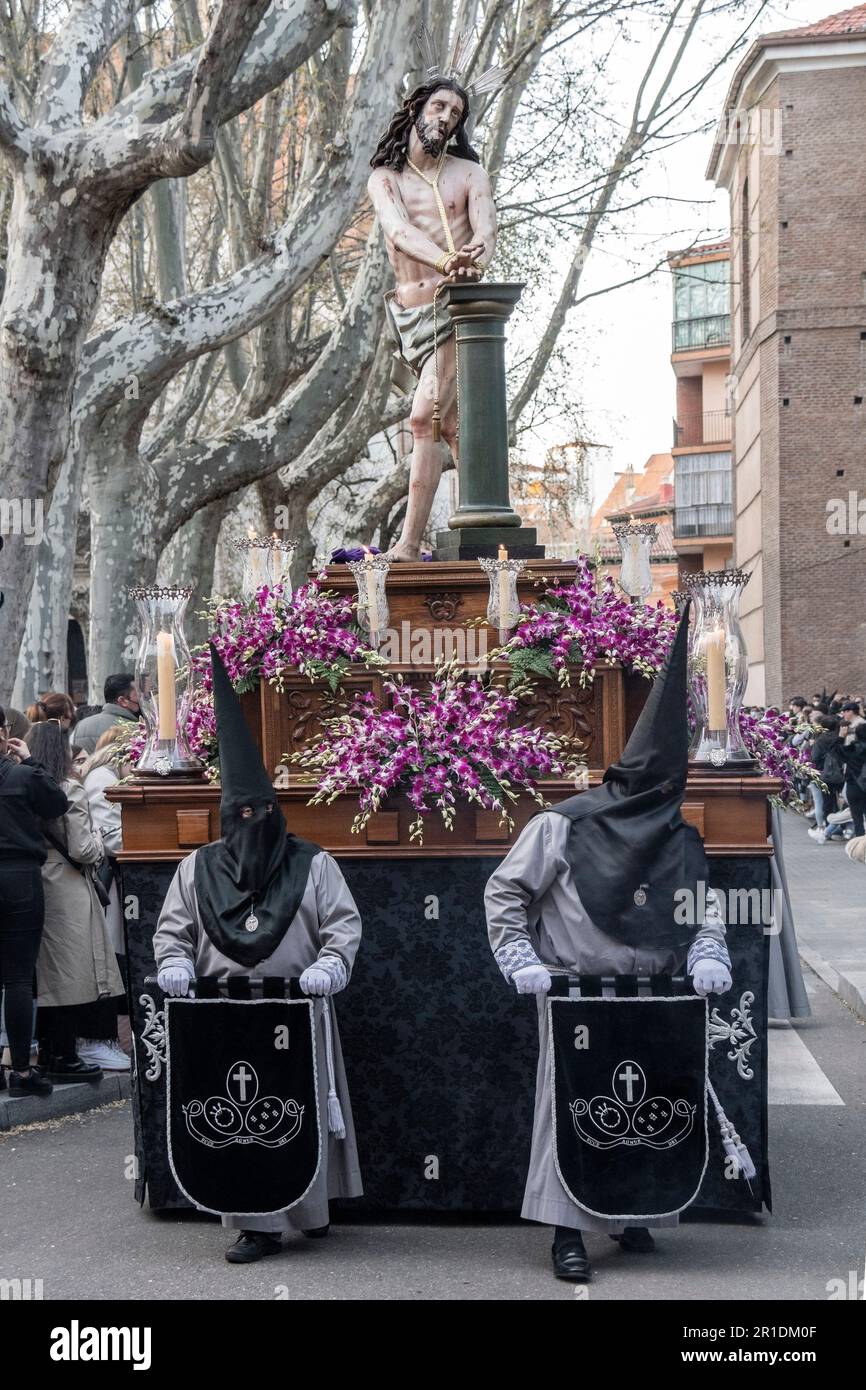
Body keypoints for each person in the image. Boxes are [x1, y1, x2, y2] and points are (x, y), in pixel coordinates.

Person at [484, 607, 732, 1283]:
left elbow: (701, 908)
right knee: (569, 1111)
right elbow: (505, 892)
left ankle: (633, 1211)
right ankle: (566, 1232)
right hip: (574, 993)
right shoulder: (561, 826)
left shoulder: (678, 837)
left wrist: (709, 951)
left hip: (653, 998)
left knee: (643, 1104)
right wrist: (521, 961)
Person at [153, 647, 363, 1264]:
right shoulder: (197, 869)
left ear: (277, 814)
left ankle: (313, 1209)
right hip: (223, 1015)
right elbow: (171, 929)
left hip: (297, 1006)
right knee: (245, 1118)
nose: (251, 822)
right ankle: (258, 1225)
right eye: (239, 815)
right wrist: (175, 964)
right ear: (225, 820)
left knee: (295, 1109)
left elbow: (343, 925)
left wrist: (331, 965)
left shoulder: (313, 863)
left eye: (261, 814)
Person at [367, 26, 503, 561]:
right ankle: (487, 527)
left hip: (456, 307)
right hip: (407, 316)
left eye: (456, 114)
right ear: (418, 107)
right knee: (451, 426)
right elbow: (397, 232)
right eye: (440, 105)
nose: (446, 118)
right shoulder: (386, 178)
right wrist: (446, 257)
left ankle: (407, 544)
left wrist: (473, 260)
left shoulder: (469, 172)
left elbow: (487, 230)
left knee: (422, 418)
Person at [25, 721, 124, 1083]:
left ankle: (47, 1049)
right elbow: (83, 849)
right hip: (68, 886)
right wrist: (100, 843)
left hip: (37, 878)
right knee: (70, 972)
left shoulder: (26, 787)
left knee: (45, 973)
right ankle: (64, 1054)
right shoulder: (69, 789)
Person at [0, 706, 69, 1097]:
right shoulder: (24, 776)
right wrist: (32, 759)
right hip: (20, 877)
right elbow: (57, 803)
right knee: (18, 978)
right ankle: (22, 1071)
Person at [77, 729, 132, 1072]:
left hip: (113, 883)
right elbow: (110, 836)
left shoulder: (107, 775)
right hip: (106, 883)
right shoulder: (103, 778)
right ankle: (102, 1039)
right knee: (108, 959)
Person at [71, 675, 141, 755]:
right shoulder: (135, 729)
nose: (142, 699)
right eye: (138, 695)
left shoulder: (81, 725)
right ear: (123, 701)